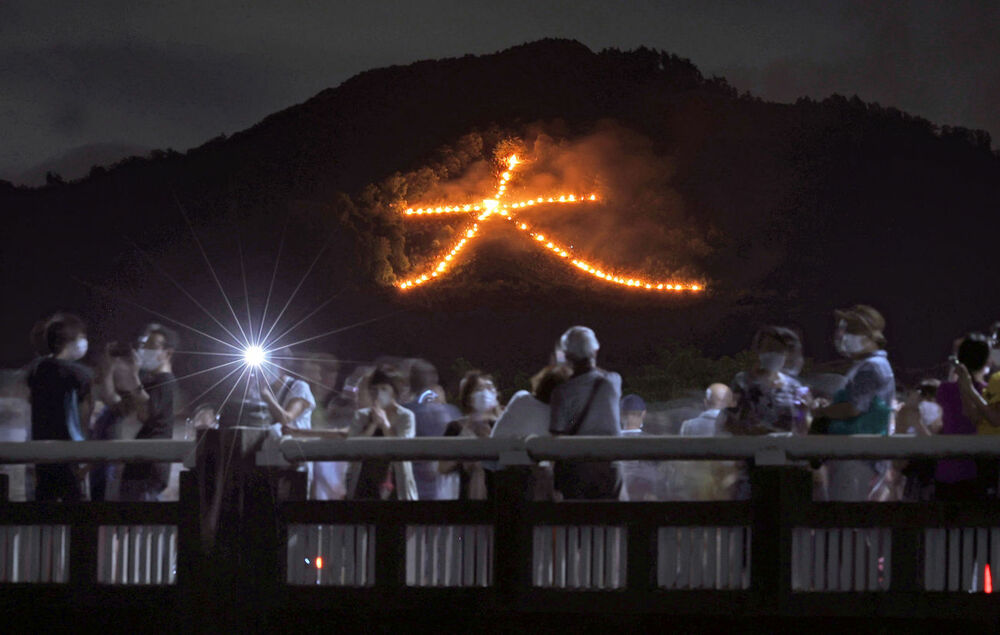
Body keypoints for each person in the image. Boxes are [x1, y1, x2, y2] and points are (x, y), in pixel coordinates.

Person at [812, 305, 896, 501]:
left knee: (846, 519)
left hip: (857, 457)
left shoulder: (871, 367)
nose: (842, 337)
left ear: (868, 335)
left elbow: (854, 408)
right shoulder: (866, 365)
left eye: (848, 331)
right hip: (856, 455)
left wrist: (822, 412)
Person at [549, 326, 622, 500]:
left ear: (567, 356)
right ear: (595, 351)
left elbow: (556, 434)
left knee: (578, 522)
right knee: (609, 522)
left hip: (576, 469)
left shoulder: (561, 393)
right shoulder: (613, 382)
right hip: (608, 466)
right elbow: (600, 375)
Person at [25, 313, 93, 501]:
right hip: (69, 453)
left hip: (42, 453)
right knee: (76, 512)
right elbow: (84, 417)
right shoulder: (79, 374)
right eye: (82, 337)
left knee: (44, 512)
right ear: (71, 341)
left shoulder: (37, 369)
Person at [119, 324, 178, 502]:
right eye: (144, 345)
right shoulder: (153, 381)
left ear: (168, 353)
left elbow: (145, 414)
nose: (144, 350)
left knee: (139, 525)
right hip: (141, 464)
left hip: (149, 468)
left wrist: (133, 376)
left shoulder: (166, 382)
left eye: (151, 346)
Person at [719, 326, 811, 437]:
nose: (773, 353)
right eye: (769, 348)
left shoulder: (794, 387)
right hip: (751, 448)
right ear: (759, 350)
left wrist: (805, 411)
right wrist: (750, 432)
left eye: (779, 349)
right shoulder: (742, 382)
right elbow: (728, 422)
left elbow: (802, 425)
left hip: (786, 448)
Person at [341, 369, 418, 500]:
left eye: (384, 389)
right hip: (365, 480)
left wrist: (385, 424)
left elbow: (403, 446)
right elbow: (352, 446)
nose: (378, 393)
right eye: (374, 389)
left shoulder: (405, 416)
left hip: (395, 481)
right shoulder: (362, 415)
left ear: (393, 391)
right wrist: (373, 425)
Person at [932, 334, 991, 501]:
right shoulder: (989, 393)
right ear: (987, 361)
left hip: (947, 469)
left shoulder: (944, 390)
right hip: (979, 470)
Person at [439, 371, 501, 500]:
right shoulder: (456, 427)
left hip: (499, 494)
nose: (485, 393)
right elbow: (442, 467)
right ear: (469, 397)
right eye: (479, 389)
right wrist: (464, 456)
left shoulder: (502, 425)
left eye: (489, 388)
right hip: (466, 494)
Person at [403, 359, 460, 500]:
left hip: (413, 489)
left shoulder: (406, 411)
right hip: (446, 491)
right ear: (435, 380)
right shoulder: (452, 411)